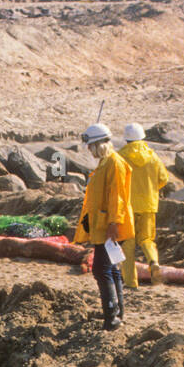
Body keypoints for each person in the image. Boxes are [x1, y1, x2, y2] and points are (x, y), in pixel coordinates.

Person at [74, 122, 135, 331]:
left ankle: (112, 317)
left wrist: (113, 224)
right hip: (104, 226)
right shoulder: (105, 163)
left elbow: (118, 197)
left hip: (111, 227)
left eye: (91, 147)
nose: (89, 151)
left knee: (101, 269)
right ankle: (117, 313)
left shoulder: (114, 164)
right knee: (110, 268)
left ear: (98, 144)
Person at [117, 124, 169, 289]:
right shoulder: (152, 156)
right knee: (146, 239)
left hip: (127, 207)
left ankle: (131, 282)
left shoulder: (120, 156)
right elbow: (163, 178)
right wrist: (151, 190)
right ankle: (153, 261)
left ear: (126, 139)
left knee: (128, 245)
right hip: (148, 205)